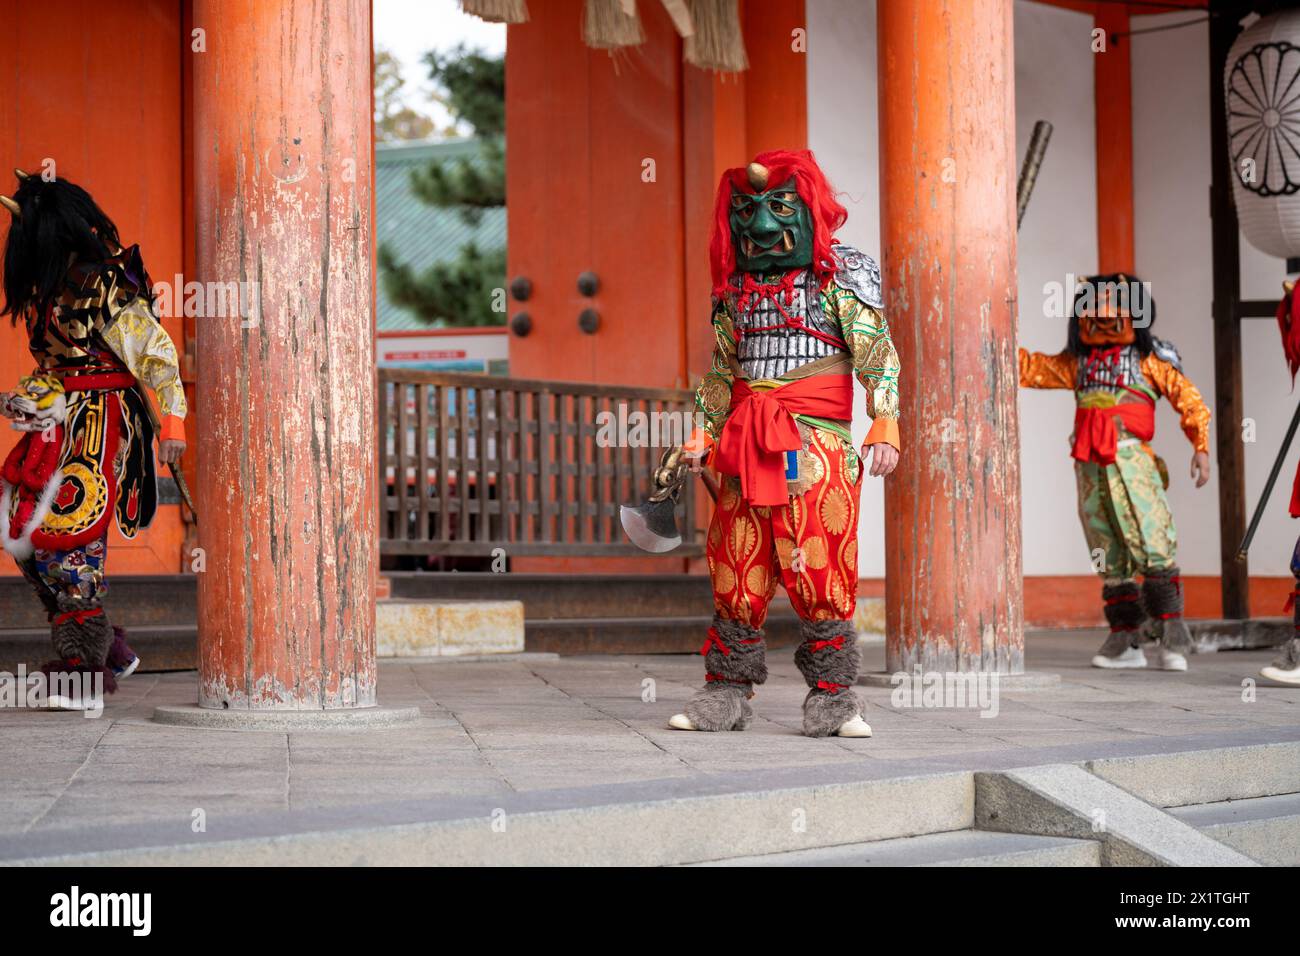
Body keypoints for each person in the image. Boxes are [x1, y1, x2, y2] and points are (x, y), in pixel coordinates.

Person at [663, 150, 900, 738]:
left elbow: (878, 356)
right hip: (744, 442)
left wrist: (886, 421)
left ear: (808, 207)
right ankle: (726, 691)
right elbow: (722, 371)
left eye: (778, 207)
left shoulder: (842, 274)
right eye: (745, 209)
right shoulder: (734, 288)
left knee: (821, 563)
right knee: (736, 562)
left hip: (817, 446)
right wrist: (701, 432)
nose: (761, 225)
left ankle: (833, 696)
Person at [1, 170, 187, 709]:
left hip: (103, 426)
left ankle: (83, 673)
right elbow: (54, 370)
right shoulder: (47, 296)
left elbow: (157, 355)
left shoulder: (106, 286)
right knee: (24, 537)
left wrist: (172, 425)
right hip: (53, 427)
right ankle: (110, 650)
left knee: (70, 538)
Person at [1019, 274, 1210, 671]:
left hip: (1133, 460)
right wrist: (995, 334)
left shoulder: (1152, 359)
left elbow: (1189, 401)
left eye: (1113, 300)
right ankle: (1125, 636)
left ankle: (1171, 633)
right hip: (1089, 466)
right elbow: (1032, 368)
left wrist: (1201, 447)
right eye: (1093, 301)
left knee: (1152, 537)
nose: (1102, 310)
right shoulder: (1077, 363)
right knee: (1103, 544)